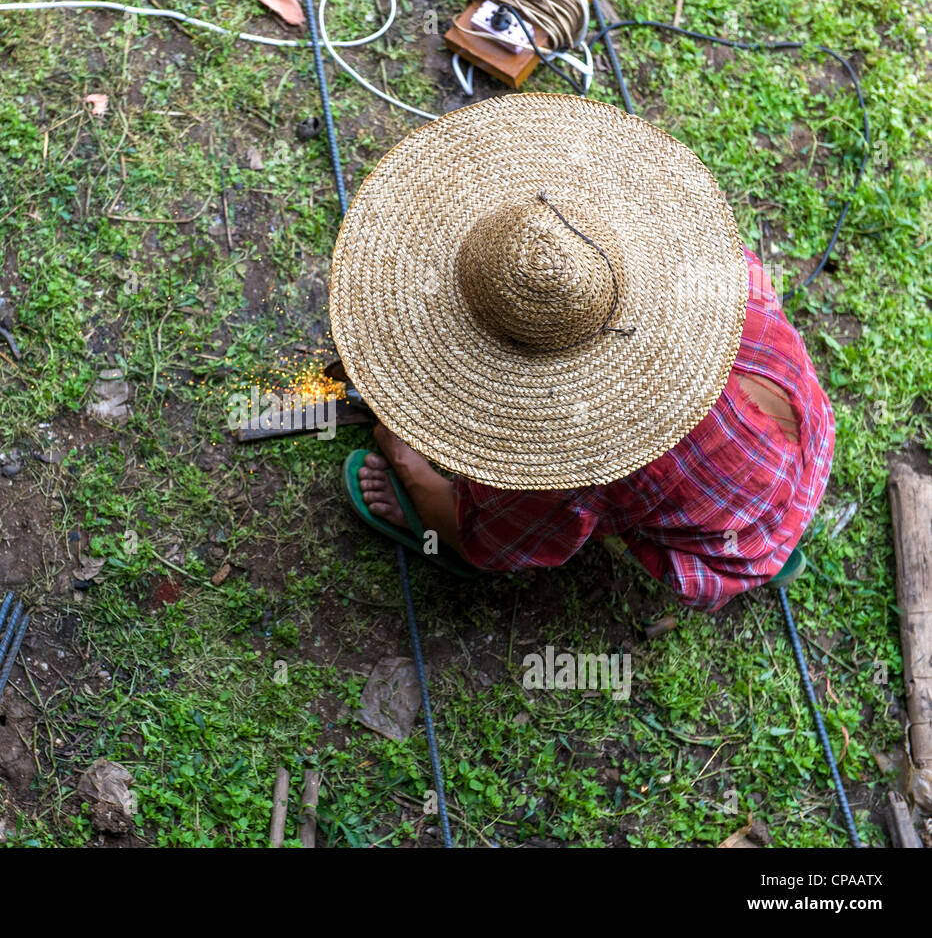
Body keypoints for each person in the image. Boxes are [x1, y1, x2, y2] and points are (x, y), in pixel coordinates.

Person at [329, 93, 833, 612]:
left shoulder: (581, 453)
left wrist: (404, 453)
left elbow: (496, 541)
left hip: (718, 542)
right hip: (809, 442)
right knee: (707, 492)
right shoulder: (724, 268)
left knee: (481, 526)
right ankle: (771, 540)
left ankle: (750, 555)